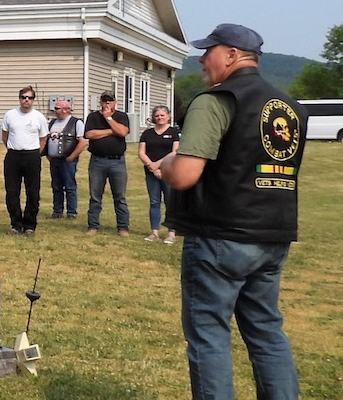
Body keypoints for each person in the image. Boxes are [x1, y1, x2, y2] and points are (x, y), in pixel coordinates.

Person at [161, 23, 303, 400]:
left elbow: (187, 174)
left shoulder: (216, 99)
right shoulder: (288, 107)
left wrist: (168, 163)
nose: (203, 59)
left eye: (209, 51)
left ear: (232, 55)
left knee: (209, 336)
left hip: (220, 236)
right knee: (266, 332)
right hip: (272, 235)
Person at [1, 86, 49, 235]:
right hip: (13, 156)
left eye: (29, 98)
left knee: (33, 192)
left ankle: (29, 225)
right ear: (19, 99)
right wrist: (12, 148)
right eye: (23, 97)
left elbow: (43, 138)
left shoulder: (39, 117)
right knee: (12, 192)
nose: (26, 100)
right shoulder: (10, 115)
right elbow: (5, 135)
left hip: (32, 156)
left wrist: (35, 153)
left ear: (33, 100)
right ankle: (16, 224)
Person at [84, 90, 131, 236]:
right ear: (100, 102)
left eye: (109, 100)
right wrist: (111, 131)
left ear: (115, 102)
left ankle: (123, 227)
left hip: (117, 161)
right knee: (95, 195)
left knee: (120, 196)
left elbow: (123, 132)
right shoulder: (92, 117)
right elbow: (89, 134)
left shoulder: (122, 116)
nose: (107, 103)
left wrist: (109, 118)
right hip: (97, 161)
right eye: (104, 101)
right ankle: (93, 226)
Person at [138, 105, 179, 243]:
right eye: (157, 115)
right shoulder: (147, 134)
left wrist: (159, 165)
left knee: (170, 202)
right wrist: (152, 167)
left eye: (162, 115)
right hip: (151, 173)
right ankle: (154, 232)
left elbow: (175, 152)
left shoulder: (174, 132)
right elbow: (141, 152)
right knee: (154, 202)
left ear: (168, 117)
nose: (160, 118)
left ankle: (171, 233)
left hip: (169, 171)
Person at [45, 100, 86, 219]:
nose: (55, 111)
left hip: (68, 160)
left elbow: (83, 142)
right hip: (54, 159)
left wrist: (72, 156)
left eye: (57, 108)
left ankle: (72, 212)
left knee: (69, 186)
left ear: (66, 109)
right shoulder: (52, 123)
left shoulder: (76, 123)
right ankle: (57, 210)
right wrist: (48, 154)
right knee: (56, 186)